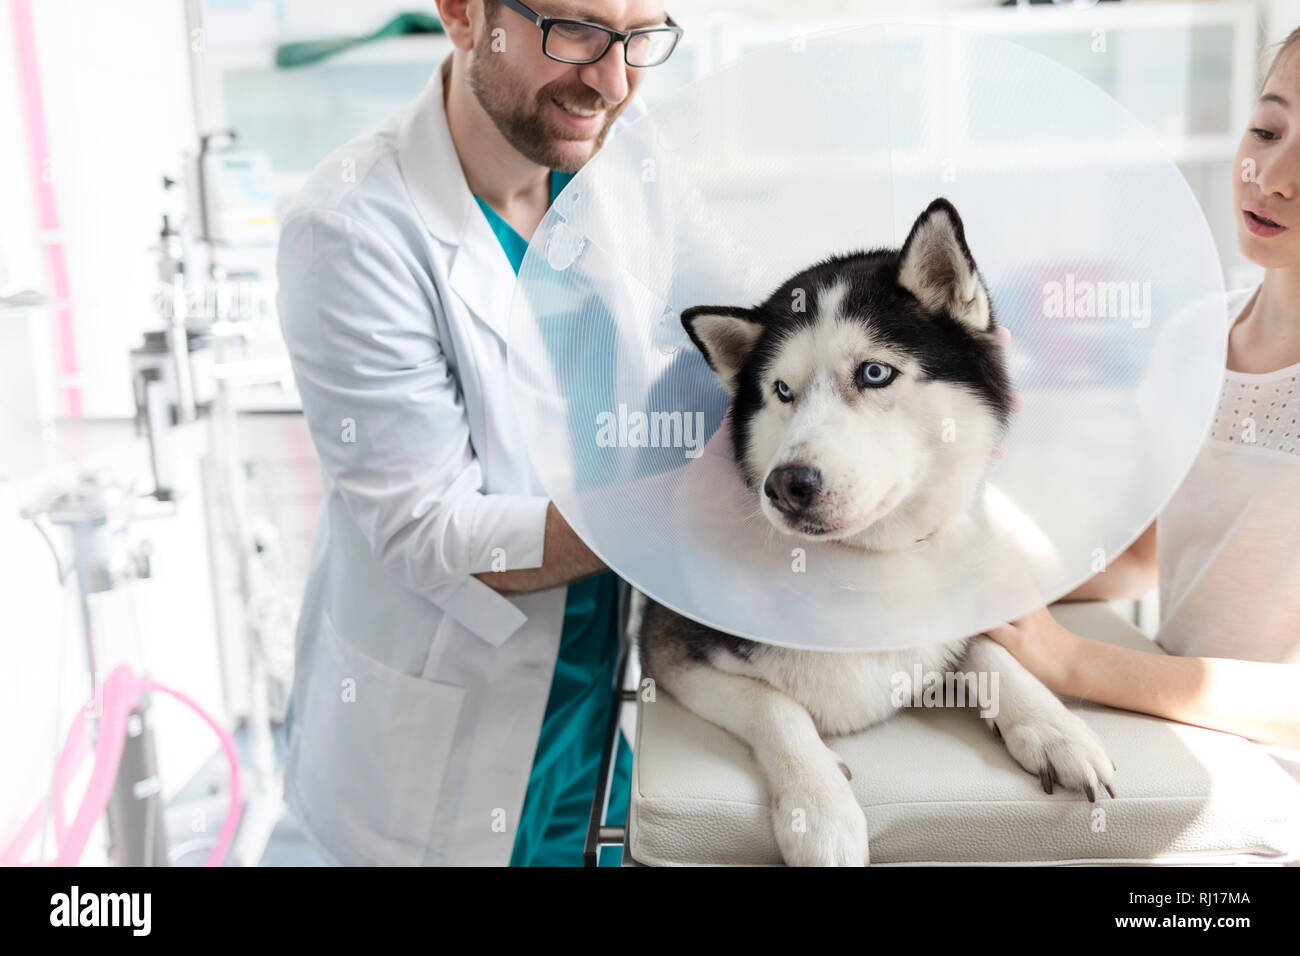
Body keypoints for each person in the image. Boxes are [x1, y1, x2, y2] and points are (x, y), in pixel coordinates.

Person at [275, 0, 683, 866]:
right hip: (445, 743)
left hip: (603, 708)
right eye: (574, 29)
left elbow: (737, 297)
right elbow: (433, 532)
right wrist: (664, 515)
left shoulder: (623, 150)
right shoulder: (350, 228)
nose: (612, 83)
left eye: (639, 37)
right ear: (464, 15)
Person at [984, 27, 1300, 784]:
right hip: (1197, 759)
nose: (1274, 176)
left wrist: (1074, 661)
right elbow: (1138, 556)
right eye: (1267, 129)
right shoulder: (1195, 339)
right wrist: (981, 588)